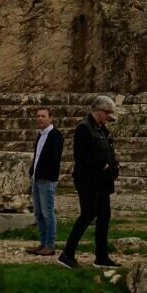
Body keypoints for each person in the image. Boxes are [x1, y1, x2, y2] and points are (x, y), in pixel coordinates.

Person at [60, 94, 120, 269]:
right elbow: (83, 156)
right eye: (107, 113)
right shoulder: (84, 128)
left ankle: (101, 256)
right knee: (87, 215)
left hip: (102, 182)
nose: (109, 118)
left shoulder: (101, 129)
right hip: (89, 181)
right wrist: (102, 166)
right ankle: (67, 253)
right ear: (99, 111)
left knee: (104, 217)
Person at [26, 106, 63, 257]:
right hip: (37, 179)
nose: (40, 118)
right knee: (39, 213)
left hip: (46, 180)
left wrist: (44, 174)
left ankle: (50, 245)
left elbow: (54, 159)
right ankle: (43, 243)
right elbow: (38, 157)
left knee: (48, 213)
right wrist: (32, 171)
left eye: (43, 116)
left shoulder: (55, 136)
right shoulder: (40, 135)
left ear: (50, 118)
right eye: (38, 116)